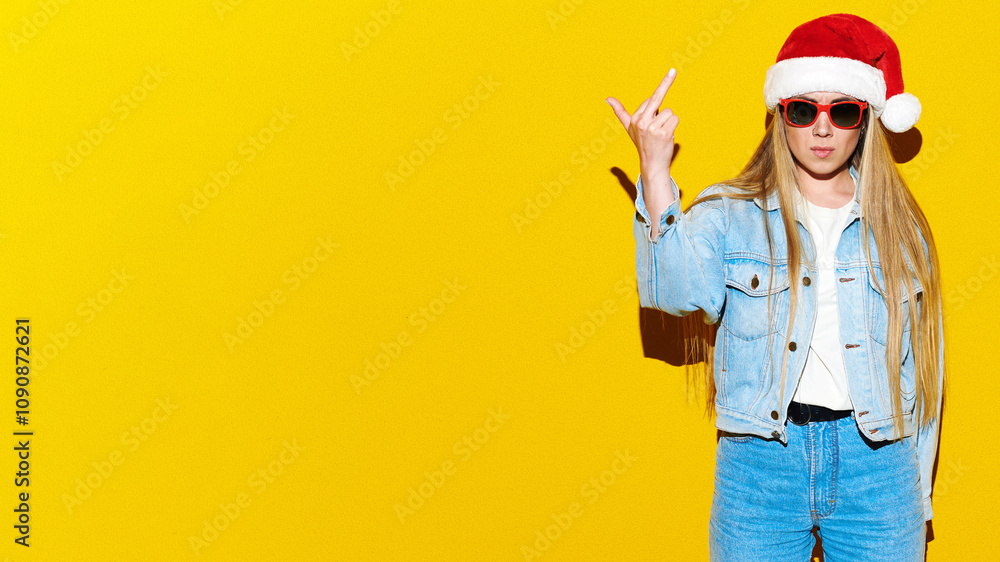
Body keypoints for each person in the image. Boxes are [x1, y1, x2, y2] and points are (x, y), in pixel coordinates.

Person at [605, 13, 944, 561]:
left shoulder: (901, 229)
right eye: (804, 109)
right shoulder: (731, 212)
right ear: (781, 116)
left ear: (867, 121)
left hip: (878, 470)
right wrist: (654, 171)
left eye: (844, 111)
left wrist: (917, 491)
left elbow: (922, 378)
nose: (823, 128)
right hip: (761, 465)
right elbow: (675, 294)